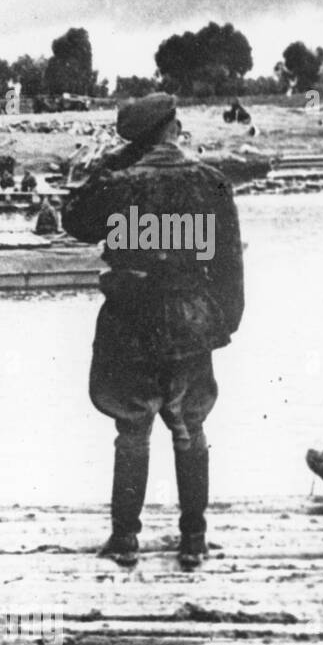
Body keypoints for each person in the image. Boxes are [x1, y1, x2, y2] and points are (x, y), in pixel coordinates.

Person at [63, 93, 244, 568]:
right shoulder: (211, 181)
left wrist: (117, 161)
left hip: (130, 314)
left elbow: (74, 219)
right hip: (191, 316)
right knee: (190, 425)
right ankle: (194, 539)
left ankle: (124, 539)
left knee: (132, 428)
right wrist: (225, 321)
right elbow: (228, 262)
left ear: (135, 138)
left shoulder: (120, 184)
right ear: (175, 125)